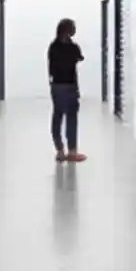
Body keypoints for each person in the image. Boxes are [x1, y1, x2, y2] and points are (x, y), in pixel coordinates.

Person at [48, 18, 87, 163]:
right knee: (71, 118)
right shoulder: (72, 47)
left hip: (57, 86)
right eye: (73, 27)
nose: (74, 29)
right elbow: (79, 58)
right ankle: (72, 152)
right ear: (68, 29)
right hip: (69, 85)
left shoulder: (53, 46)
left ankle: (59, 151)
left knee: (57, 117)